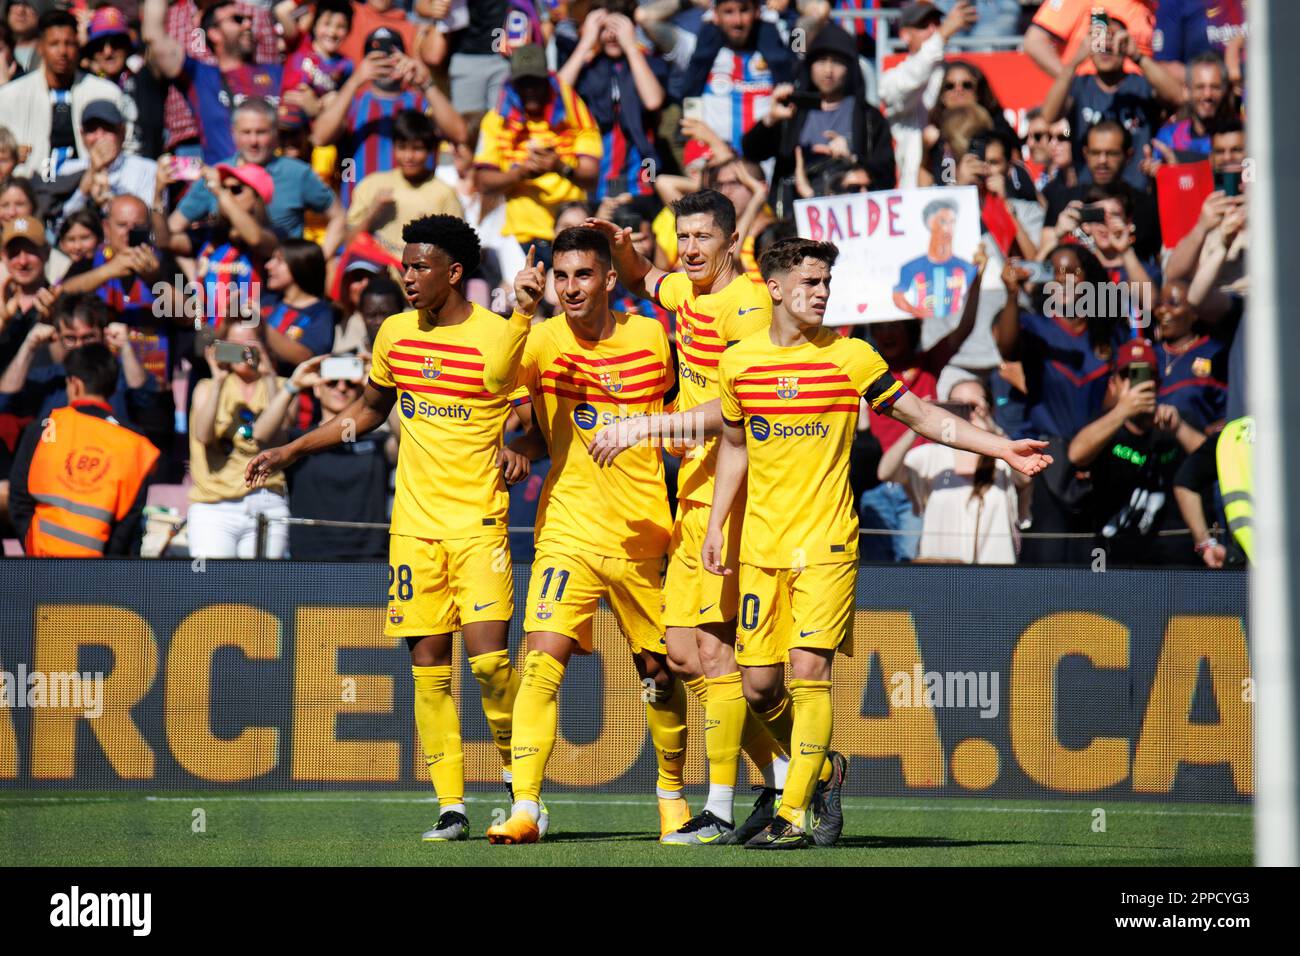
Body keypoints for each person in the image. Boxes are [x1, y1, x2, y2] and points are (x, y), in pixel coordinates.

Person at [704, 237, 1050, 847]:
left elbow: (926, 419)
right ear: (776, 288)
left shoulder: (851, 357)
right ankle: (827, 768)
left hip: (828, 543)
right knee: (758, 685)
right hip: (760, 547)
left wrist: (1002, 447)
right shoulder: (738, 362)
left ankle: (792, 815)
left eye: (826, 283)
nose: (821, 292)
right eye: (810, 282)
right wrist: (715, 526)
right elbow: (734, 447)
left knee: (808, 673)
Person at [246, 214, 533, 842]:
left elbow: (535, 406)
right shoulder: (396, 336)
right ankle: (451, 805)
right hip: (412, 528)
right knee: (428, 666)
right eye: (405, 265)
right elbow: (370, 411)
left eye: (419, 266)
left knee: (488, 664)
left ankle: (521, 786)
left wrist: (520, 448)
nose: (407, 277)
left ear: (454, 273)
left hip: (479, 524)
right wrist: (292, 449)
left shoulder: (501, 335)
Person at [585, 190, 795, 846]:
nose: (694, 248)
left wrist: (651, 423)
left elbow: (737, 406)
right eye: (686, 236)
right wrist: (619, 243)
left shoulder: (749, 306)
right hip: (695, 491)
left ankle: (723, 808)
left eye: (706, 236)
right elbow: (651, 278)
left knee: (716, 652)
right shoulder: (689, 292)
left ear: (735, 242)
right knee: (681, 655)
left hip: (740, 495)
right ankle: (792, 772)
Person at [485, 226, 686, 846]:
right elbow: (496, 389)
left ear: (605, 279)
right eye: (561, 276)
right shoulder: (540, 339)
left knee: (660, 672)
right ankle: (526, 806)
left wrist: (663, 437)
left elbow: (688, 413)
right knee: (539, 662)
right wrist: (519, 309)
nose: (570, 288)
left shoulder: (651, 336)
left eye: (582, 276)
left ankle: (672, 797)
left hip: (642, 534)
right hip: (566, 529)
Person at [8, 342, 159, 557]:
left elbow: (19, 501)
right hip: (100, 577)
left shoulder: (45, 428)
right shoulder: (135, 442)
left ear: (75, 384)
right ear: (113, 387)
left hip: (42, 569)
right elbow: (128, 522)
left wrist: (36, 554)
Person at [1067, 338, 1205, 566]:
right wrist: (1121, 411)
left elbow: (1214, 461)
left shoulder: (1178, 421)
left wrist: (1179, 429)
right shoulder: (1105, 425)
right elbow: (1076, 454)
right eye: (1128, 375)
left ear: (1157, 383)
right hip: (1110, 555)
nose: (1138, 383)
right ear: (1114, 384)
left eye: (1145, 375)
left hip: (1170, 559)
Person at [741, 21, 895, 220]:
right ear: (810, 65)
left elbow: (887, 174)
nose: (828, 71)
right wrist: (771, 119)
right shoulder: (792, 112)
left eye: (837, 62)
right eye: (821, 61)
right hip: (793, 215)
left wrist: (853, 158)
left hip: (852, 217)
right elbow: (751, 152)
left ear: (850, 67)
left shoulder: (869, 118)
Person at [258, 352, 396, 560]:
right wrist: (293, 384)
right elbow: (261, 435)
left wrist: (382, 386)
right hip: (310, 558)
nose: (341, 387)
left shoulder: (379, 442)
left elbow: (405, 435)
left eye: (350, 382)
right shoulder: (299, 442)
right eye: (332, 381)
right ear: (317, 388)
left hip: (371, 558)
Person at [474, 44, 602, 267]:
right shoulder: (496, 120)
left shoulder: (573, 110)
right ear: (513, 84)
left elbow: (591, 177)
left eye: (536, 82)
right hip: (521, 236)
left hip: (571, 234)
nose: (530, 89)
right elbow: (483, 181)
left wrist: (559, 167)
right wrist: (521, 173)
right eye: (523, 83)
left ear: (548, 80)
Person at [878, 377, 1029, 564]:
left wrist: (993, 428)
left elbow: (1026, 477)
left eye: (973, 406)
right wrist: (918, 421)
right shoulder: (931, 455)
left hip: (995, 575)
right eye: (957, 407)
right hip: (942, 575)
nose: (967, 413)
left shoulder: (1003, 458)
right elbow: (886, 472)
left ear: (990, 408)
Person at [312, 27, 465, 209]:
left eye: (390, 57)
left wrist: (425, 84)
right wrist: (355, 81)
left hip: (415, 214)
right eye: (376, 58)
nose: (384, 63)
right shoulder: (353, 102)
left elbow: (459, 134)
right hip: (361, 213)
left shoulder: (420, 102)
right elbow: (319, 137)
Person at [169, 97, 344, 254]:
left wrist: (319, 262)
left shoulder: (297, 173)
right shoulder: (217, 174)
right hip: (227, 283)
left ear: (275, 133)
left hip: (278, 279)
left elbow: (339, 216)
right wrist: (195, 274)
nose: (253, 141)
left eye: (261, 132)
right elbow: (173, 230)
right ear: (234, 134)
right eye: (246, 132)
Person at [1039, 9, 1184, 192]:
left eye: (1113, 38)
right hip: (1090, 192)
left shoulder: (1141, 85)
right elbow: (1048, 115)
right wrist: (1075, 60)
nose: (1106, 46)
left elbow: (1179, 97)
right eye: (1099, 39)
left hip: (1137, 193)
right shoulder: (1080, 86)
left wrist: (1137, 56)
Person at [187, 319, 291, 558]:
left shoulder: (282, 386)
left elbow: (278, 436)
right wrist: (219, 381)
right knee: (214, 589)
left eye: (250, 345)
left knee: (263, 589)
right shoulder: (206, 387)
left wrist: (268, 377)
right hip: (213, 504)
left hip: (266, 500)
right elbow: (203, 435)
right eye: (235, 345)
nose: (243, 353)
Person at [142, 0, 282, 166]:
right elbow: (154, 37)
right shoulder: (201, 77)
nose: (248, 24)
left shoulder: (276, 73)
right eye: (237, 19)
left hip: (277, 177)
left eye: (249, 20)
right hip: (225, 181)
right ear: (214, 33)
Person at [558, 1, 668, 204]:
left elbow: (653, 101)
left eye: (617, 28)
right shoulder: (586, 66)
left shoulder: (647, 62)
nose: (611, 35)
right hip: (594, 170)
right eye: (604, 28)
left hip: (640, 173)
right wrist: (586, 42)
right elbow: (557, 94)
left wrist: (631, 46)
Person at [0, 8, 129, 180]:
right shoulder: (10, 96)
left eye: (69, 43)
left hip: (92, 184)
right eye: (54, 44)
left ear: (78, 45)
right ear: (40, 48)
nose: (62, 52)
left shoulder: (106, 92)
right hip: (30, 189)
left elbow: (127, 147)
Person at [153, 160, 278, 328]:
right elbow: (164, 241)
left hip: (249, 335)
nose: (227, 195)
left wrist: (219, 191)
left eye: (236, 190)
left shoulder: (273, 236)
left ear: (258, 198)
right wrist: (158, 193)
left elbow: (254, 239)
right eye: (224, 188)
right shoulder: (209, 235)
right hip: (207, 336)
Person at [878, 0, 978, 188]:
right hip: (914, 188)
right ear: (905, 35)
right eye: (924, 25)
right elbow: (911, 79)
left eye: (936, 23)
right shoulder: (892, 78)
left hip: (957, 179)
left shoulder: (953, 75)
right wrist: (941, 36)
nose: (933, 30)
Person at [347, 109, 464, 260]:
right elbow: (349, 241)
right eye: (402, 147)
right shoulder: (371, 185)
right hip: (378, 279)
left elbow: (456, 251)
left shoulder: (444, 194)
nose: (409, 156)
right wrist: (373, 213)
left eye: (417, 148)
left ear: (429, 150)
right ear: (394, 147)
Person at [680, 0, 795, 152]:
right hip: (712, 158)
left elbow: (818, 12)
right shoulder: (693, 42)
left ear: (757, 11)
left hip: (765, 157)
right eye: (728, 12)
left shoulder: (783, 36)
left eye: (744, 11)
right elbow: (645, 18)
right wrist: (686, 2)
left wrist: (792, 2)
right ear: (715, 14)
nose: (737, 21)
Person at [82, 5, 167, 160]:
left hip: (148, 169)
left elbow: (155, 42)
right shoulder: (85, 86)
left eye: (116, 43)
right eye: (100, 45)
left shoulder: (146, 78)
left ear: (127, 46)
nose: (108, 52)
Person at [59, 100, 158, 218]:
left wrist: (108, 203)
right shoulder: (68, 169)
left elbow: (147, 220)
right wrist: (87, 184)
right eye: (91, 129)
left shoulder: (147, 170)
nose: (99, 137)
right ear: (82, 134)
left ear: (122, 132)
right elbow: (61, 223)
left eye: (108, 128)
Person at [1153, 279, 1226, 432]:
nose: (1163, 310)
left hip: (1199, 450)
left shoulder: (1215, 353)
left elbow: (1237, 411)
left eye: (1173, 303)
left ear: (1194, 313)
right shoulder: (1151, 355)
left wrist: (1211, 435)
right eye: (1160, 304)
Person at [893, 198, 977, 321]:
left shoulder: (967, 268)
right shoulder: (911, 267)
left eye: (952, 222)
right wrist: (917, 312)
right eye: (943, 222)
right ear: (929, 223)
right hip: (926, 334)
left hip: (959, 331)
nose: (948, 228)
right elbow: (897, 296)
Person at [262, 239, 336, 375]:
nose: (268, 265)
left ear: (300, 265)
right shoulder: (268, 301)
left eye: (279, 260)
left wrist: (261, 326)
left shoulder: (321, 313)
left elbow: (307, 357)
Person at [1153, 51, 1236, 162]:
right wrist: (1157, 171)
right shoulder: (1168, 138)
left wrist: (1179, 160)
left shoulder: (1239, 138)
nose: (1207, 95)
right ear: (1187, 91)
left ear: (1225, 91)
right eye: (1200, 87)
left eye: (1215, 87)